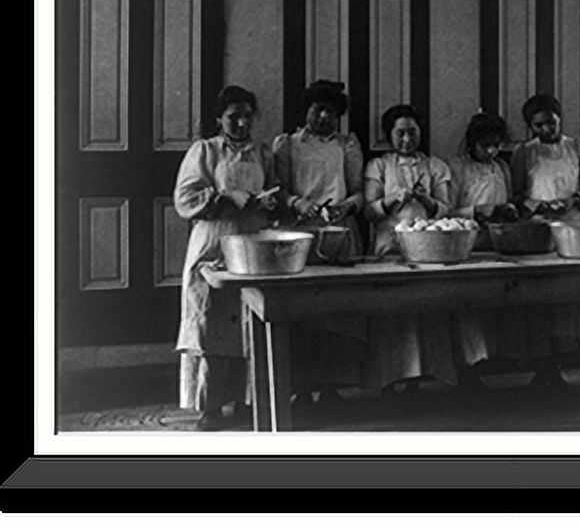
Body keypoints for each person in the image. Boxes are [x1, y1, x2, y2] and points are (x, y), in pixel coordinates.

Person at [173, 85, 278, 431]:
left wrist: (268, 202)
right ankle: (211, 407)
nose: (241, 123)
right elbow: (185, 199)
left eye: (248, 116)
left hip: (251, 243)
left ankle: (247, 402)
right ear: (219, 118)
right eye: (234, 117)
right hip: (213, 244)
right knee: (211, 327)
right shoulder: (204, 151)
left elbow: (276, 188)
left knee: (249, 327)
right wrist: (224, 195)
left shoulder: (261, 153)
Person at [272, 80, 367, 406]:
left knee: (337, 311)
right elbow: (278, 190)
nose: (324, 116)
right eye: (318, 109)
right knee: (301, 312)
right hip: (299, 234)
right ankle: (298, 388)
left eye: (331, 111)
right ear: (307, 110)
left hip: (339, 232)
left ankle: (332, 387)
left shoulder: (347, 146)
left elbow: (359, 191)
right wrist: (298, 203)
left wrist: (346, 206)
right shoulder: (287, 144)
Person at [509, 93, 580, 389]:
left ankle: (561, 362)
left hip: (573, 228)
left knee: (568, 300)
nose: (546, 130)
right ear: (530, 126)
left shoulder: (577, 147)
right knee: (541, 297)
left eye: (550, 123)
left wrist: (575, 200)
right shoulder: (524, 152)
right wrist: (534, 206)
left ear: (559, 118)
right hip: (538, 230)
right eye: (538, 126)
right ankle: (542, 363)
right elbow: (514, 196)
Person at [362, 104, 461, 393]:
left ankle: (420, 380)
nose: (407, 139)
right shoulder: (379, 166)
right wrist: (392, 199)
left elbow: (446, 211)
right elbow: (369, 212)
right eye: (400, 133)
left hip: (428, 249)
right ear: (389, 135)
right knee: (391, 315)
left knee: (426, 312)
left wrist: (426, 200)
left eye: (413, 132)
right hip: (388, 248)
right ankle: (388, 380)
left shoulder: (434, 166)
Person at [447, 112, 519, 387]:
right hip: (468, 244)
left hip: (498, 244)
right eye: (485, 145)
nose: (491, 151)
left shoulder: (501, 167)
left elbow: (510, 199)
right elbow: (448, 209)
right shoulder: (457, 167)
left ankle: (493, 365)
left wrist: (508, 209)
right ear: (472, 143)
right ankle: (469, 370)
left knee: (496, 305)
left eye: (496, 145)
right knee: (470, 308)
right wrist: (478, 211)